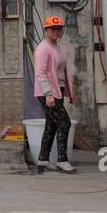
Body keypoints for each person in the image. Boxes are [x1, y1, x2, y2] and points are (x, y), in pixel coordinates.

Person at [34, 16, 76, 173]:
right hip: (47, 92)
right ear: (46, 29)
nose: (56, 31)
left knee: (51, 125)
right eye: (53, 28)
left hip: (57, 91)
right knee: (64, 123)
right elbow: (40, 73)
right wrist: (48, 94)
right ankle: (62, 160)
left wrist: (70, 92)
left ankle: (43, 159)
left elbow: (62, 72)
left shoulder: (57, 46)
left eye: (59, 28)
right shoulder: (43, 48)